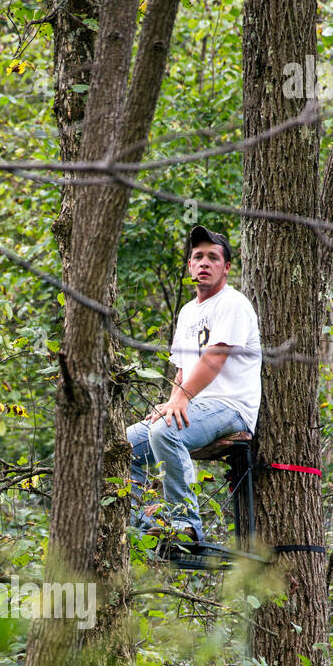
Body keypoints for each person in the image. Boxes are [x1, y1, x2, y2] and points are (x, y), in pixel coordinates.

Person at [127, 225, 262, 563]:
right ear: (189, 266)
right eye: (198, 257)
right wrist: (171, 403)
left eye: (213, 257)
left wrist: (179, 402)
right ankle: (142, 527)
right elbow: (183, 371)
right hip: (195, 405)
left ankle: (185, 525)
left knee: (165, 431)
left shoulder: (232, 303)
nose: (205, 262)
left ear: (226, 267)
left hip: (230, 408)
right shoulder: (189, 312)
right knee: (123, 444)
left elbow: (214, 360)